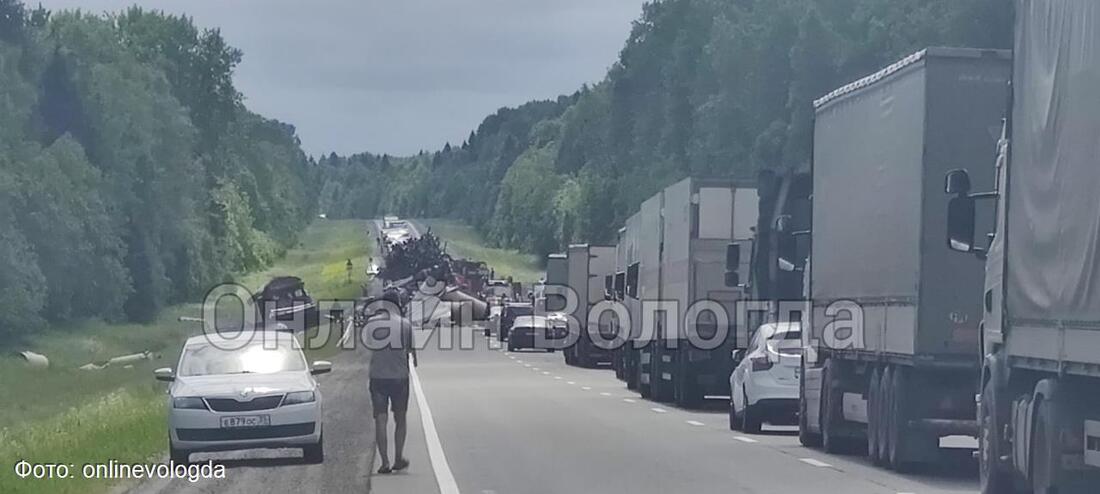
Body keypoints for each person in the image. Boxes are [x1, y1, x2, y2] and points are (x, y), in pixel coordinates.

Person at [366, 292, 417, 474]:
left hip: (378, 376)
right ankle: (398, 457)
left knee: (380, 419)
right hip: (399, 378)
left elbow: (368, 345)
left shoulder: (372, 323)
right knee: (400, 418)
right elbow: (411, 350)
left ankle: (384, 462)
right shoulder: (405, 324)